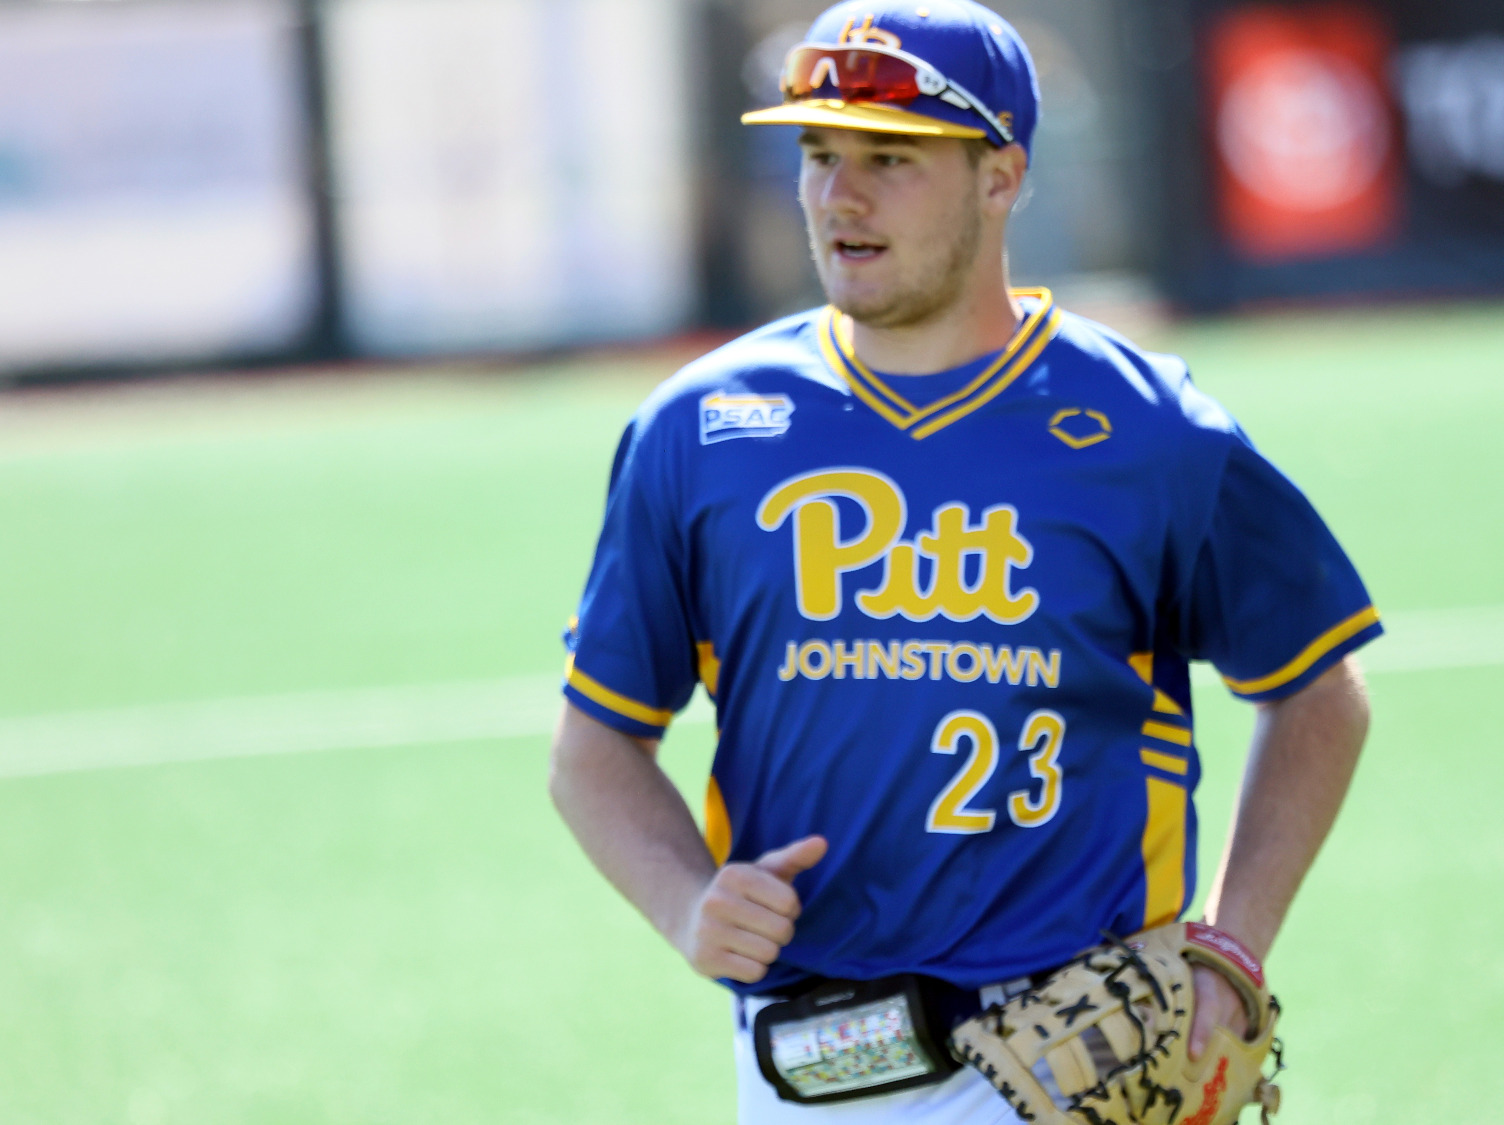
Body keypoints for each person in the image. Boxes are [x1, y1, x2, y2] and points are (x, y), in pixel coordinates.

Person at [548, 2, 1378, 1121]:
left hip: (1079, 1055)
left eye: (889, 159)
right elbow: (594, 745)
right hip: (804, 1064)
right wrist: (687, 903)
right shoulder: (698, 429)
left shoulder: (1148, 429)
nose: (839, 196)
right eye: (818, 155)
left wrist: (1233, 943)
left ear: (1001, 176)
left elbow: (1318, 688)